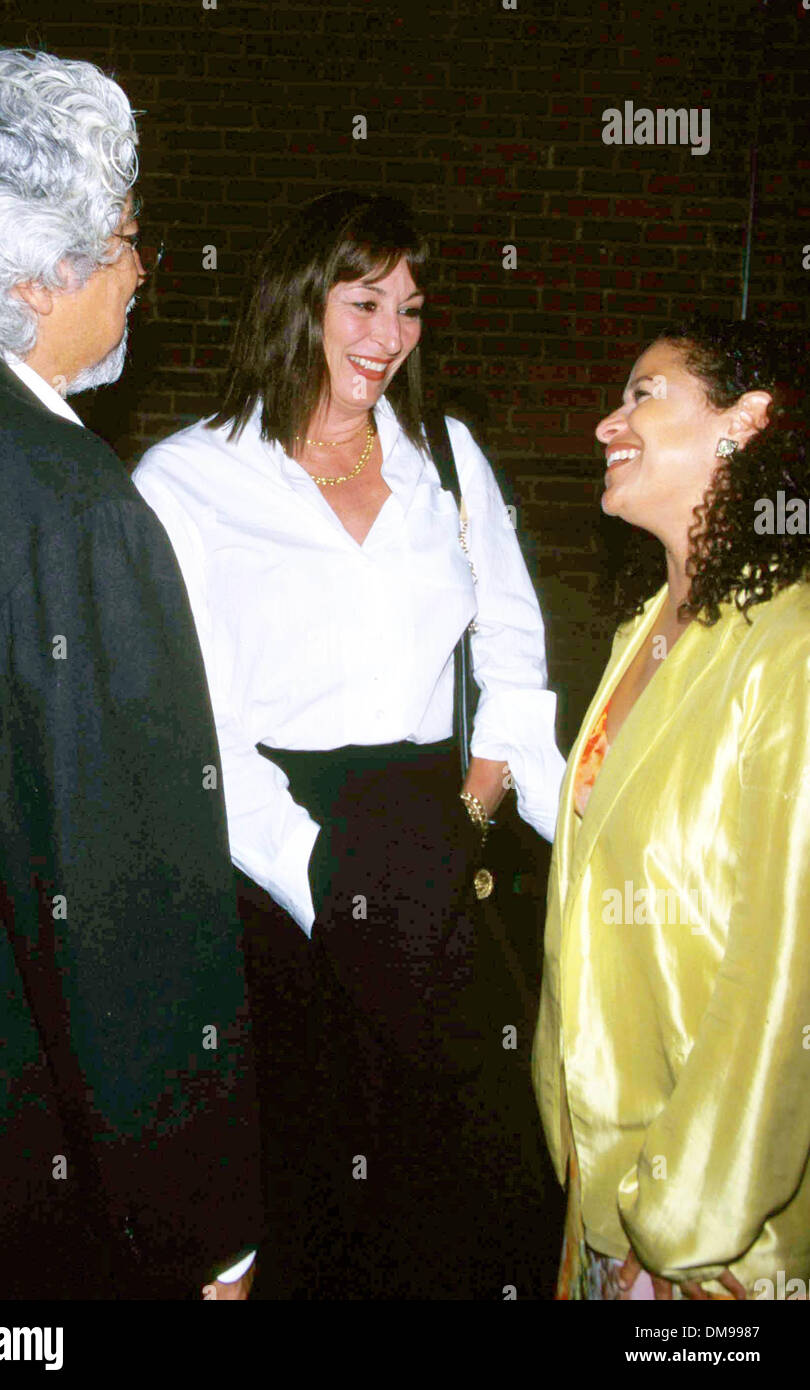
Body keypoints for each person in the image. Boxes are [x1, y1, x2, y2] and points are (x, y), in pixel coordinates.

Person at [134, 189, 567, 1299]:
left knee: (481, 1163)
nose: (390, 338)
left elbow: (513, 650)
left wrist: (475, 802)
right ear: (297, 299)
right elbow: (197, 721)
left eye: (411, 309)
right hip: (275, 846)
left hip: (437, 832)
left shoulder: (448, 456)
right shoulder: (187, 480)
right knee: (317, 1176)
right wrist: (318, 869)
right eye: (364, 301)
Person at [0, 39, 259, 1300]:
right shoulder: (65, 503)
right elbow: (122, 887)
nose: (138, 271)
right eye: (120, 238)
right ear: (35, 268)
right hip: (3, 1179)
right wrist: (203, 1224)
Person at [533, 316, 810, 1300]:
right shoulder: (644, 631)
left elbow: (782, 980)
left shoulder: (792, 652)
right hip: (604, 1189)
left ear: (744, 425)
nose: (609, 421)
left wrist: (678, 1221)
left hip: (712, 1237)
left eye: (644, 393)